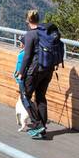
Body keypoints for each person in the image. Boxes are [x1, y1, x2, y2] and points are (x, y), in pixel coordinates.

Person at [19, 9, 52, 139]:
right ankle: (42, 128)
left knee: (25, 96)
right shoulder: (45, 32)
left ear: (27, 20)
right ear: (38, 19)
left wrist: (21, 72)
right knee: (40, 98)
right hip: (47, 69)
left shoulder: (30, 35)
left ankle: (37, 124)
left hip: (34, 71)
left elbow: (27, 56)